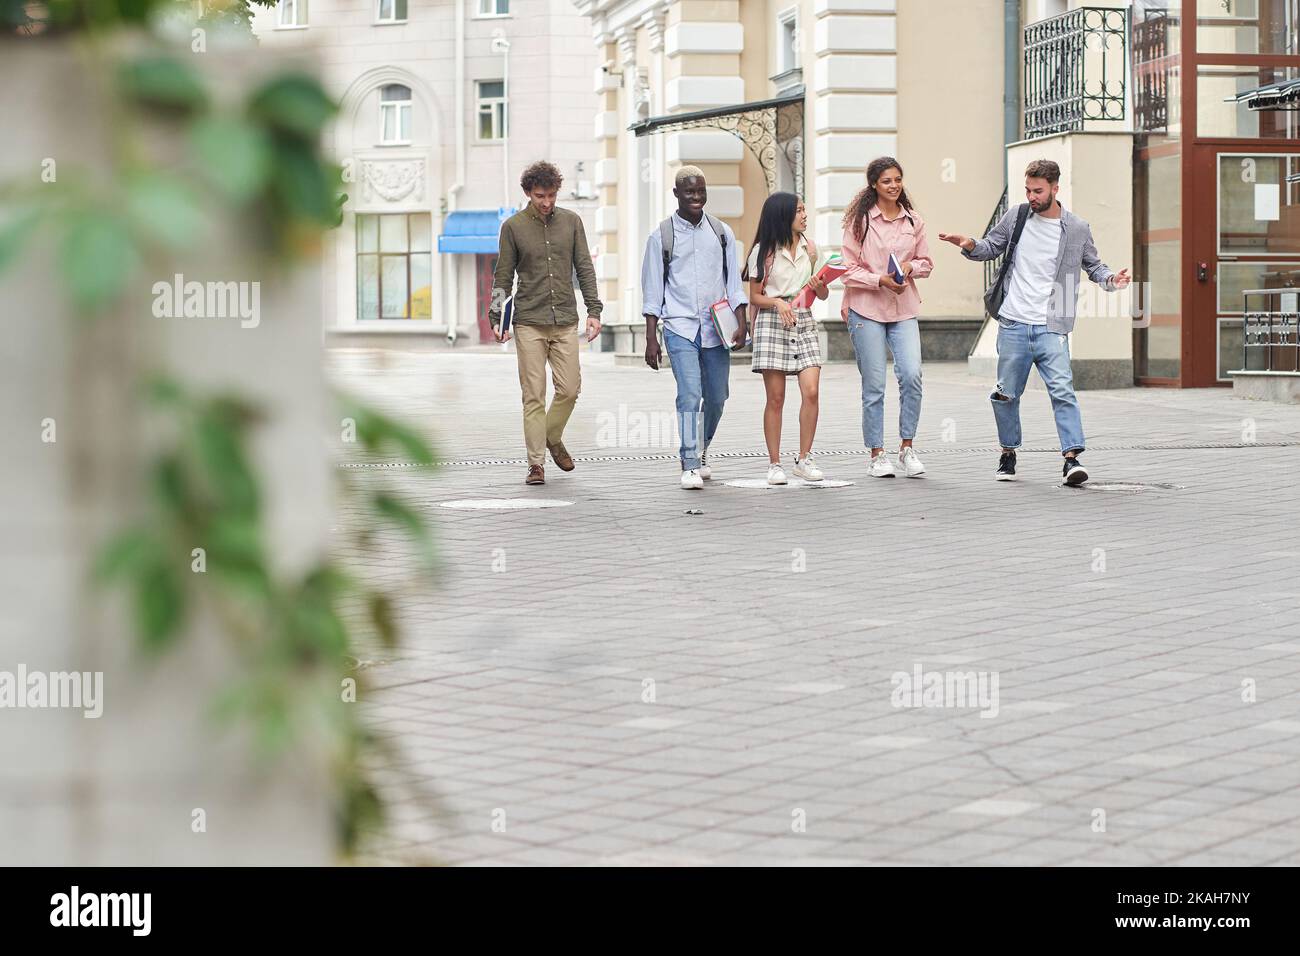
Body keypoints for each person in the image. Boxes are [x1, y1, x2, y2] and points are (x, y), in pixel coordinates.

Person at [939, 159, 1130, 486]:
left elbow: (1094, 266)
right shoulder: (1016, 217)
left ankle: (1072, 460)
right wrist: (969, 244)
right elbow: (990, 247)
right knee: (1006, 393)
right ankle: (1008, 451)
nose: (1031, 196)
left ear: (1055, 188)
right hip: (1013, 323)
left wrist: (1112, 280)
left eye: (1038, 191)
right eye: (1028, 189)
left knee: (1063, 390)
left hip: (1052, 325)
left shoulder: (1077, 228)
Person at [489, 160, 603, 486]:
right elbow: (503, 276)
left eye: (552, 195)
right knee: (533, 395)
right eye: (540, 195)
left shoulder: (572, 222)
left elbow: (585, 269)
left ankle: (552, 436)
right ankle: (536, 464)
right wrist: (497, 317)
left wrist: (593, 311)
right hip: (528, 322)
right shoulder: (513, 227)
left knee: (569, 389)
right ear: (528, 193)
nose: (547, 202)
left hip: (565, 319)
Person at [640, 166, 748, 490]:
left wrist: (742, 325)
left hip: (717, 329)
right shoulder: (661, 236)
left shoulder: (722, 233)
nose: (696, 198)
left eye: (701, 191)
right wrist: (651, 339)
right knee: (690, 393)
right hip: (679, 326)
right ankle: (689, 462)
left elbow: (734, 285)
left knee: (717, 396)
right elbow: (652, 291)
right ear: (676, 194)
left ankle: (701, 449)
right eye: (689, 192)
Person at [839, 157, 934, 479]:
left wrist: (909, 268)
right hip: (866, 308)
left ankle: (907, 447)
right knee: (875, 385)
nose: (893, 186)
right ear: (874, 186)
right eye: (886, 182)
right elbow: (846, 270)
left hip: (904, 307)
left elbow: (926, 263)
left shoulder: (913, 221)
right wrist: (878, 279)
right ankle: (877, 454)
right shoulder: (860, 222)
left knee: (912, 375)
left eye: (897, 180)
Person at [744, 192, 828, 485]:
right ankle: (774, 463)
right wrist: (777, 302)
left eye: (805, 210)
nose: (805, 215)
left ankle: (804, 459)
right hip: (772, 321)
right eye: (800, 211)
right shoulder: (762, 251)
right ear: (783, 216)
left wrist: (819, 287)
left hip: (803, 320)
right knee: (776, 398)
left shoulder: (811, 249)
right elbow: (754, 296)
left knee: (812, 391)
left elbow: (820, 294)